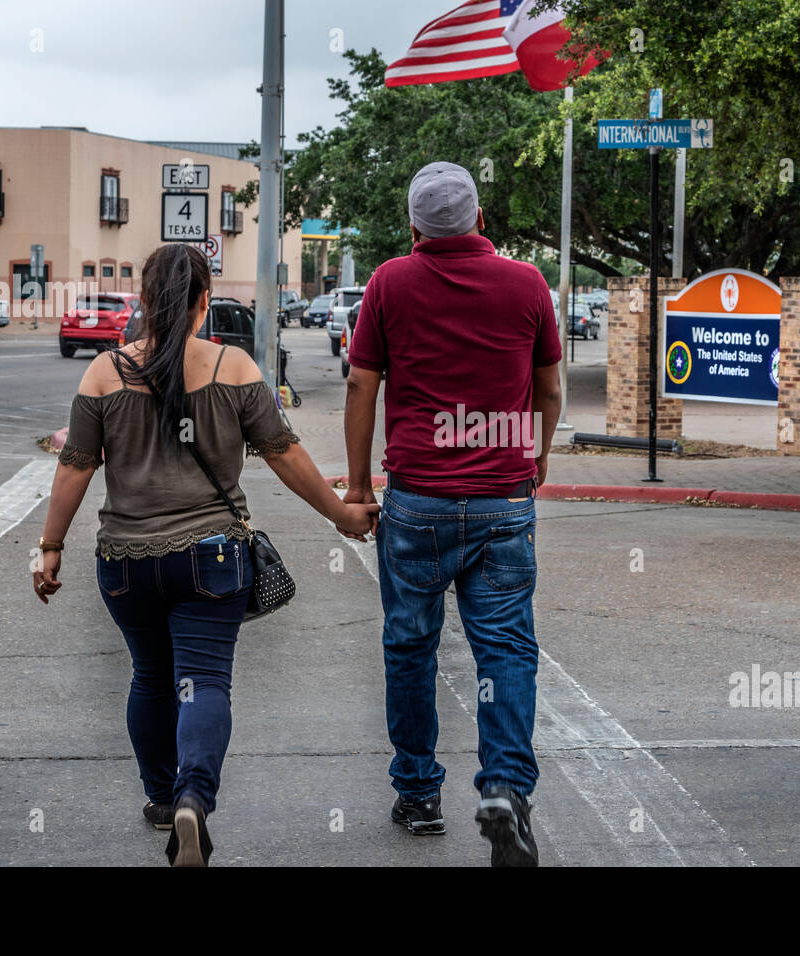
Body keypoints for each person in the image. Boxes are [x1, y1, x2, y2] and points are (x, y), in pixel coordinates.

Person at [32, 243, 377, 867]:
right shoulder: (234, 366)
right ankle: (194, 798)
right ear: (203, 301)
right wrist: (341, 513)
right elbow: (285, 454)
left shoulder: (104, 373)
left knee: (150, 678)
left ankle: (162, 799)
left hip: (125, 562)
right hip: (211, 558)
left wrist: (50, 548)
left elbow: (74, 469)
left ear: (143, 299)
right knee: (204, 680)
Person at [342, 161, 562, 867]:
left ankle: (419, 794)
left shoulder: (389, 282)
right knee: (504, 648)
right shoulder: (527, 283)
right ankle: (504, 788)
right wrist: (537, 456)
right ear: (480, 220)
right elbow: (550, 387)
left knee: (410, 646)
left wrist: (356, 486)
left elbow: (360, 386)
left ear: (414, 227)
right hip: (503, 499)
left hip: (417, 504)